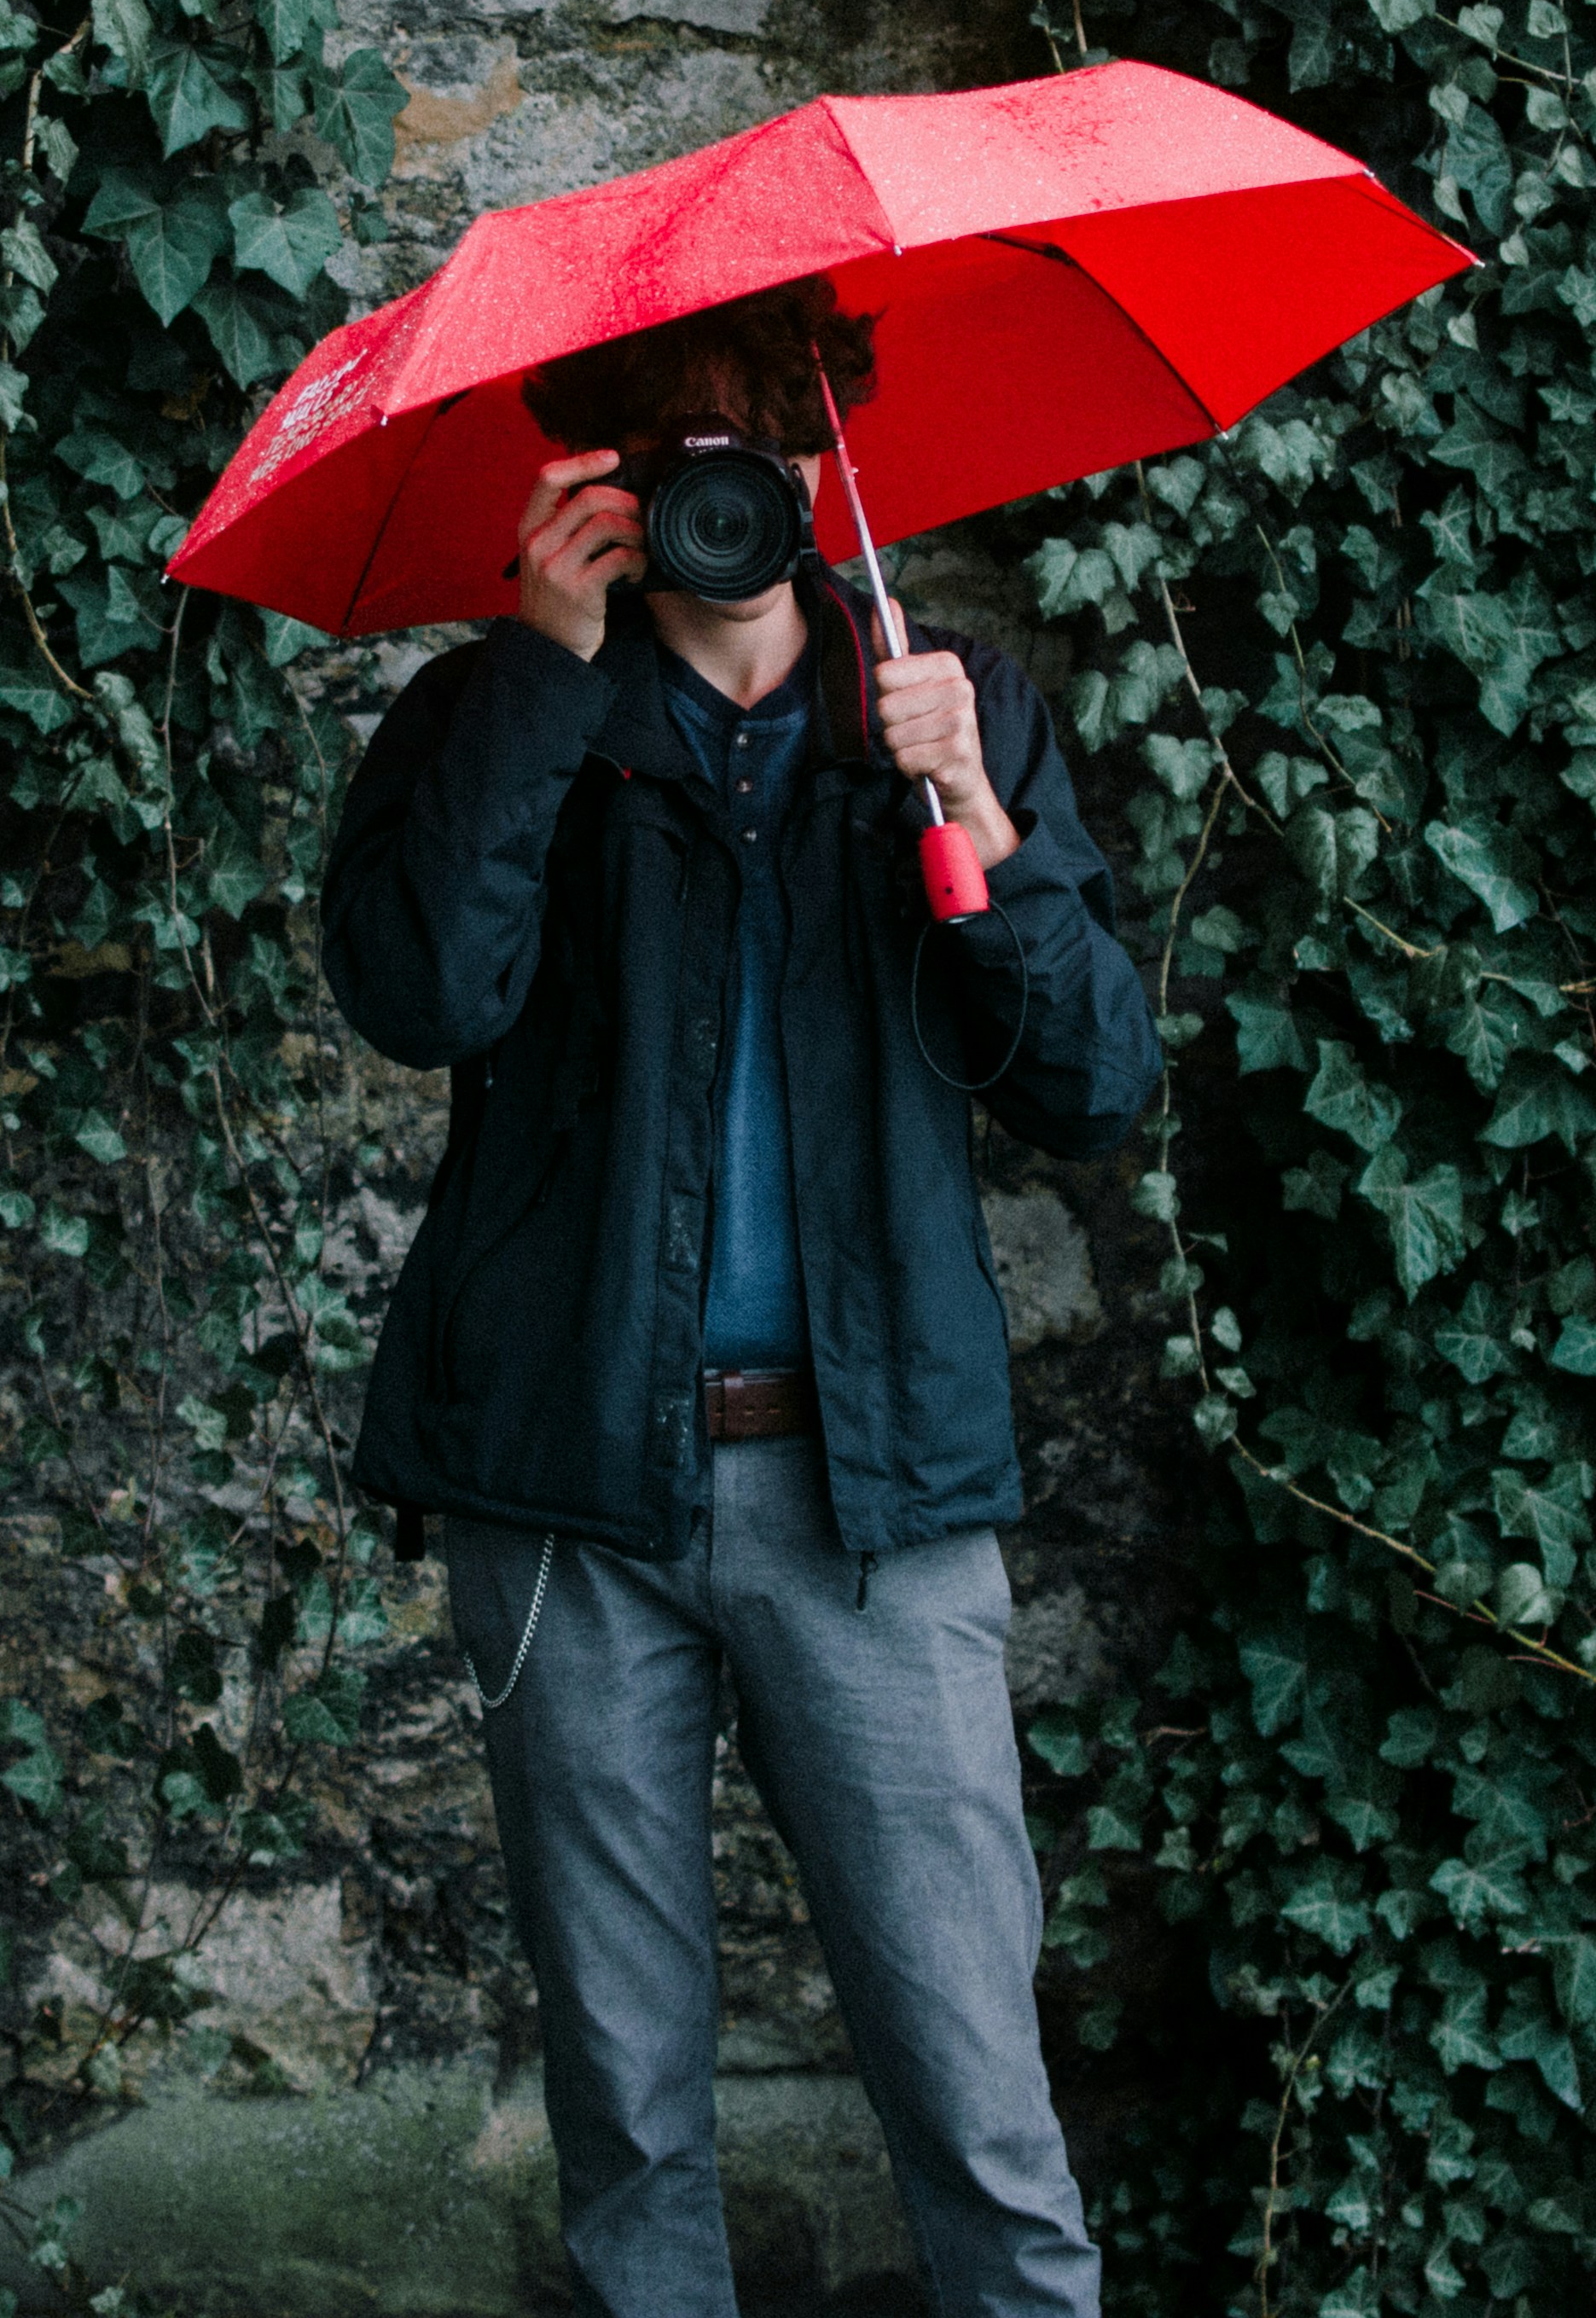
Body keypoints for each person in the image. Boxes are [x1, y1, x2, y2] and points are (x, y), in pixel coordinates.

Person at [322, 275, 1163, 2318]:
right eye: (680, 450)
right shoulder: (494, 715)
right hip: (573, 1502)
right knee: (628, 2112)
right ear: (604, 472)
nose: (732, 490)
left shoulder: (947, 711)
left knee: (982, 2098)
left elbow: (1094, 1082)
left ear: (827, 456)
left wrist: (968, 804)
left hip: (870, 1496)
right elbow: (419, 995)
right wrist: (540, 672)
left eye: (765, 442)